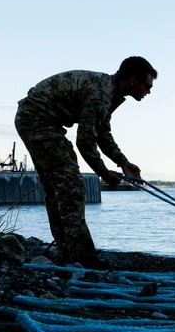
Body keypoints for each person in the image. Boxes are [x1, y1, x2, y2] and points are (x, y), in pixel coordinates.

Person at [14, 57, 156, 270]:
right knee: (70, 187)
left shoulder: (108, 92)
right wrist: (103, 173)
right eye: (147, 86)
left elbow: (101, 132)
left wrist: (123, 163)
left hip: (38, 121)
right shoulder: (101, 95)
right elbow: (85, 142)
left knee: (58, 189)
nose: (149, 92)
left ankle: (67, 254)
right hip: (37, 121)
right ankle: (83, 258)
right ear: (133, 81)